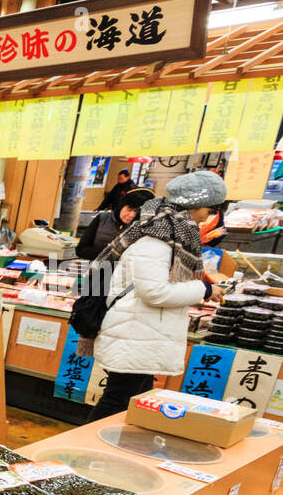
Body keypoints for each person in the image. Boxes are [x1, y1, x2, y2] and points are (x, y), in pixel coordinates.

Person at [87, 171, 229, 420]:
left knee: (132, 401)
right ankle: (81, 454)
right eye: (210, 209)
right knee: (117, 402)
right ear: (194, 206)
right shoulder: (157, 241)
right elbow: (154, 292)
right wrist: (204, 290)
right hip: (135, 333)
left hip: (143, 333)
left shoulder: (167, 236)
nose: (209, 216)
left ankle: (101, 453)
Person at [76, 188, 155, 260]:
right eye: (129, 209)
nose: (131, 215)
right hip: (97, 272)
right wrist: (110, 256)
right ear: (122, 205)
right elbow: (81, 249)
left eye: (137, 212)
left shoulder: (145, 229)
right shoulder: (102, 219)